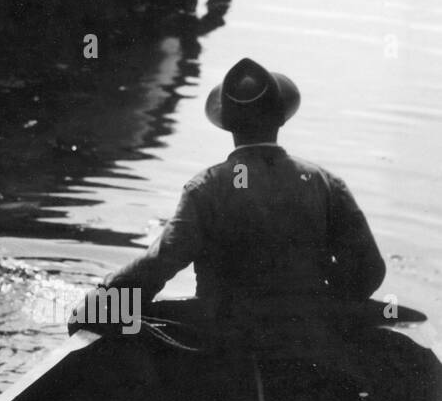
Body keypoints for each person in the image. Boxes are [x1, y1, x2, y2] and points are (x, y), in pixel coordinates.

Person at [73, 57, 385, 329]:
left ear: (228, 125)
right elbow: (369, 271)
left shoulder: (206, 189)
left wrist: (101, 300)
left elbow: (161, 263)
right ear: (281, 118)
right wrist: (324, 303)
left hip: (223, 342)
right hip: (307, 336)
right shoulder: (324, 183)